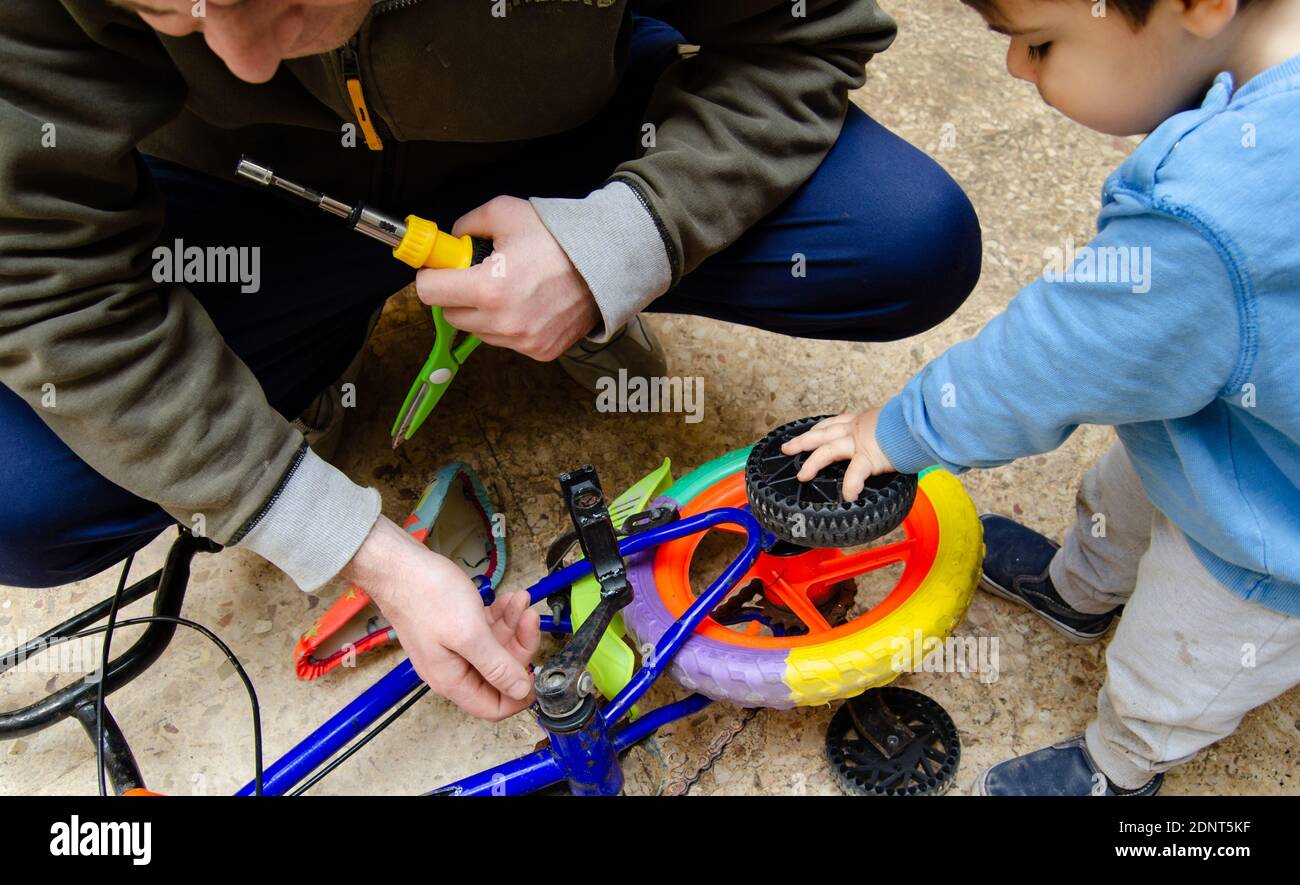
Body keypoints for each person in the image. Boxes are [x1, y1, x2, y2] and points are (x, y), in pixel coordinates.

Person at [0, 0, 981, 721]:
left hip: (554, 143)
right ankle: (297, 354)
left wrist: (623, 239)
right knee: (23, 500)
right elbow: (49, 279)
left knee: (905, 237)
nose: (241, 60)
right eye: (168, 8)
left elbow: (810, 34)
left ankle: (535, 290)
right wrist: (358, 549)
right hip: (243, 191)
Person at [784, 0, 1300, 794]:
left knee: (1179, 654)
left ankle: (1122, 762)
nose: (1015, 68)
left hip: (1270, 519)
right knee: (1118, 495)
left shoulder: (1211, 214)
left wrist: (898, 428)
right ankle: (1078, 591)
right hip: (1229, 419)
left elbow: (1059, 353)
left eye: (1040, 42)